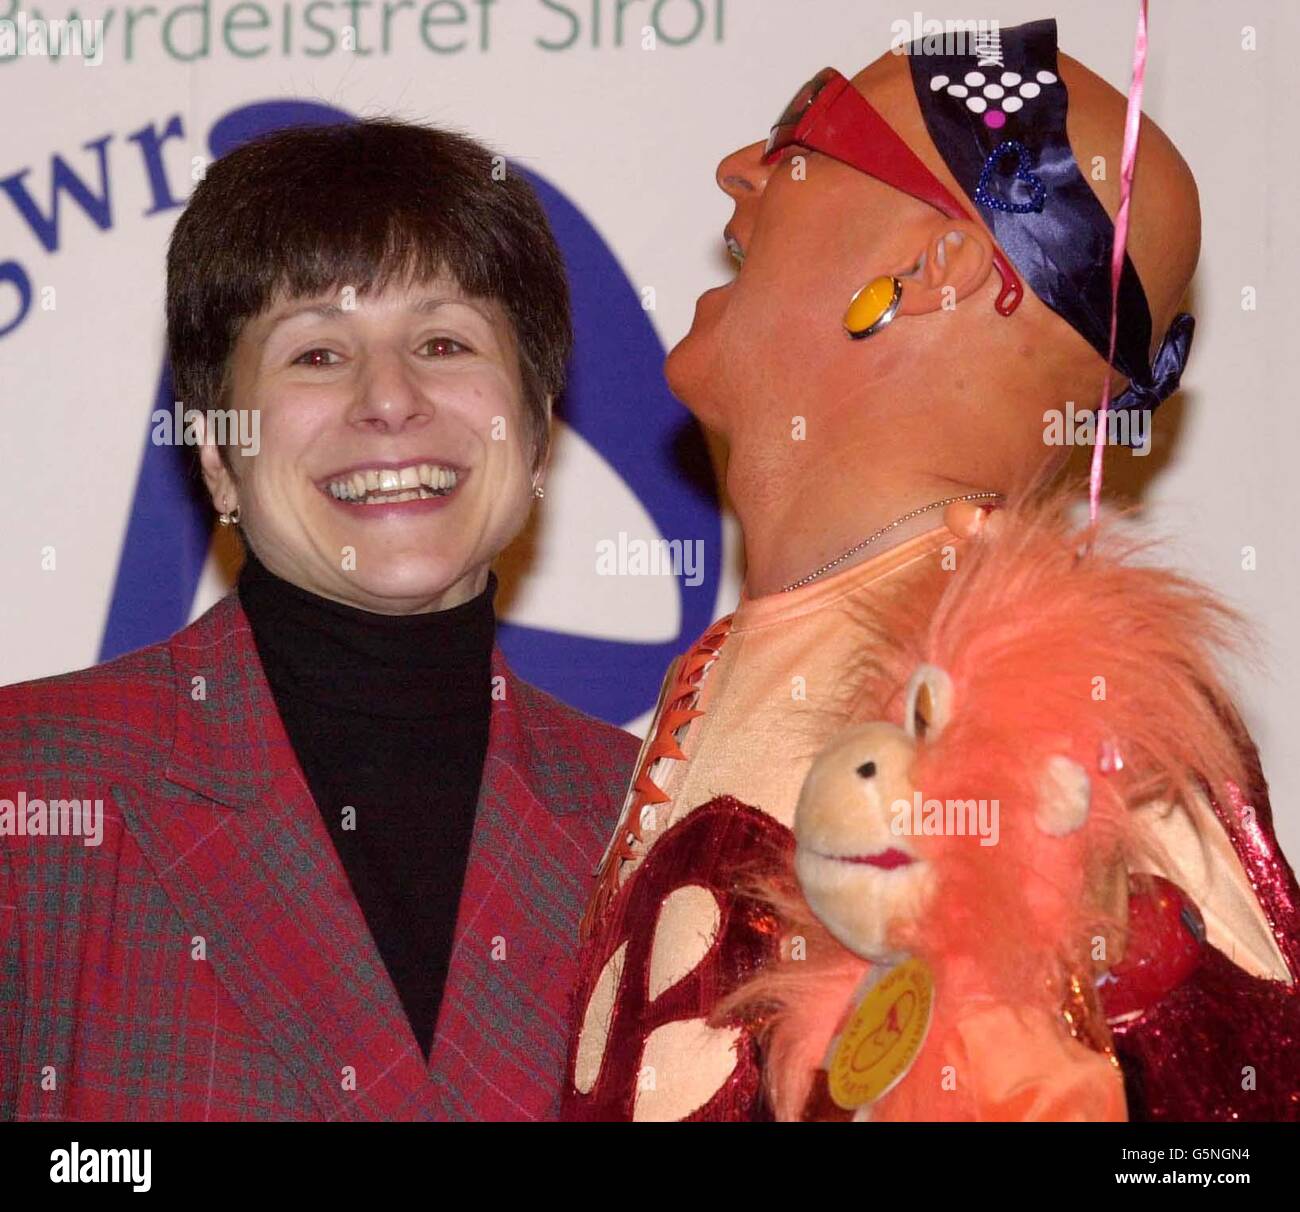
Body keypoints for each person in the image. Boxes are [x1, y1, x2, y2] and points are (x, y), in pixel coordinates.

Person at [564, 19, 1299, 1121]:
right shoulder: (756, 658)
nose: (740, 169)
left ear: (926, 265)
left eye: (803, 130)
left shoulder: (1038, 697)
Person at [0, 119, 638, 1121]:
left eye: (443, 342)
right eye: (316, 353)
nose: (389, 398)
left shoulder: (650, 824)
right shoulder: (33, 790)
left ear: (537, 434)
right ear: (218, 454)